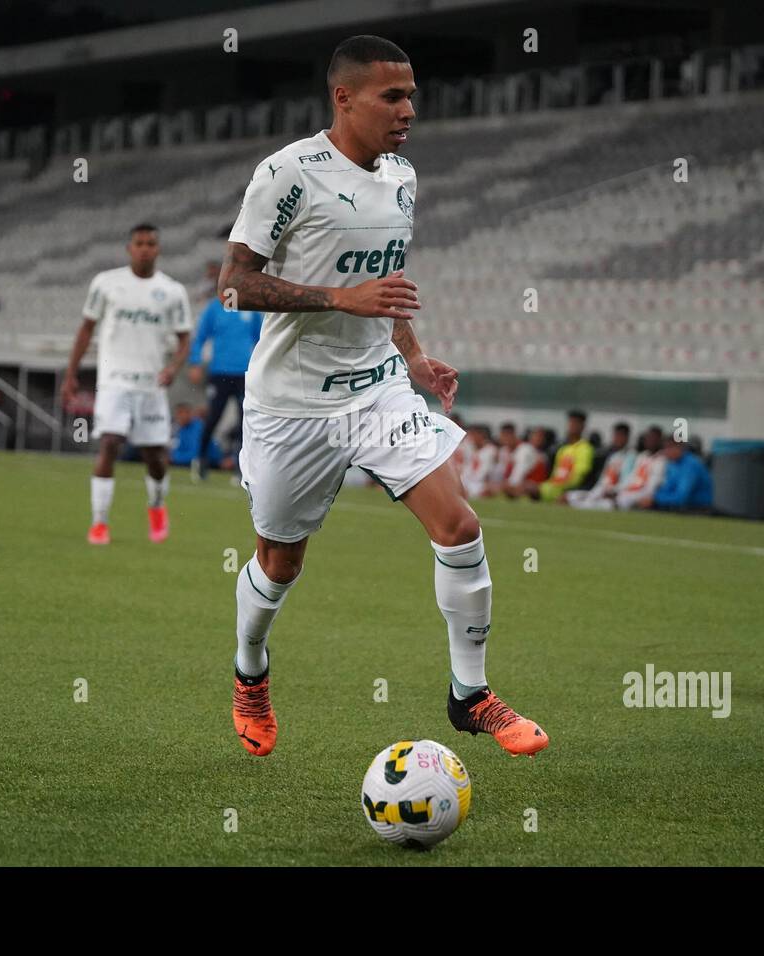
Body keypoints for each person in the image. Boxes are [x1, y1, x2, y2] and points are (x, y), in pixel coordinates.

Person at [218, 34, 546, 759]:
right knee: (280, 563)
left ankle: (469, 695)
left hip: (377, 393)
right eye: (391, 97)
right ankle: (250, 671)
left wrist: (415, 356)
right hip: (292, 406)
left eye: (412, 96)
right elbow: (234, 283)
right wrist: (341, 297)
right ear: (344, 97)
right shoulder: (287, 173)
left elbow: (386, 284)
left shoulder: (402, 176)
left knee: (459, 528)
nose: (408, 111)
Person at [61, 223, 193, 545]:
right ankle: (99, 523)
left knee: (155, 456)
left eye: (151, 243)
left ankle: (157, 507)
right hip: (114, 379)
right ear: (129, 248)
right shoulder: (106, 284)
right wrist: (71, 373)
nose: (145, 248)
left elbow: (185, 337)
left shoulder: (173, 291)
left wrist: (173, 367)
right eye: (139, 243)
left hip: (151, 385)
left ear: (158, 249)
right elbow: (86, 328)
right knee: (109, 443)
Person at [187, 259, 262, 480]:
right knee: (213, 418)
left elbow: (261, 341)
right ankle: (199, 461)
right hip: (219, 372)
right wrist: (195, 362)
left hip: (244, 374)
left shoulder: (251, 309)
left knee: (244, 422)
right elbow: (200, 338)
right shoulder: (213, 308)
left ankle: (241, 468)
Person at [521, 410, 594, 502]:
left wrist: (561, 487)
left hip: (565, 489)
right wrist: (547, 485)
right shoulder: (562, 449)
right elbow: (555, 475)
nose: (572, 426)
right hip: (552, 486)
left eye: (576, 423)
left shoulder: (585, 449)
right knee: (524, 487)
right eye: (571, 422)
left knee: (527, 490)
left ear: (583, 426)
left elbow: (579, 476)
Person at [648, 439, 713, 511]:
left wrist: (656, 499)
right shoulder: (672, 464)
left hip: (697, 508)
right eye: (665, 448)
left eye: (669, 448)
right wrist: (654, 497)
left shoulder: (691, 465)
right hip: (679, 506)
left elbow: (682, 497)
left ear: (680, 448)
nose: (666, 452)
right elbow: (667, 488)